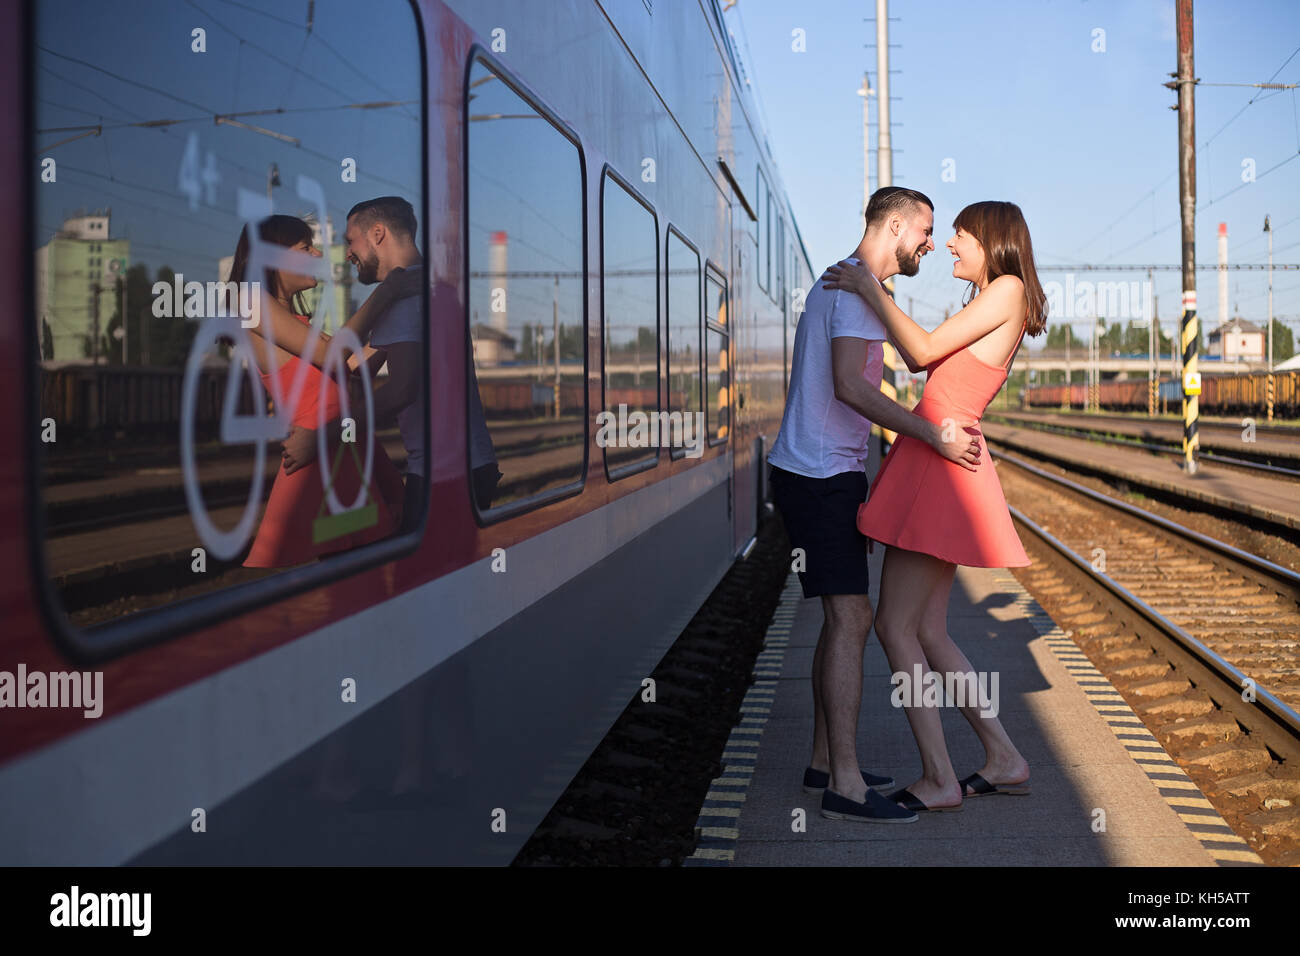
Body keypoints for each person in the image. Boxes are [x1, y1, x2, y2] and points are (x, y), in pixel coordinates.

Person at [767, 186, 983, 825]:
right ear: (894, 225)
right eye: (923, 231)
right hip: (820, 476)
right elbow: (849, 386)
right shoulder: (854, 289)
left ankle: (823, 762)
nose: (928, 244)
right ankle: (848, 785)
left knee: (843, 620)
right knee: (854, 619)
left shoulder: (850, 285)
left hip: (819, 472)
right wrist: (928, 433)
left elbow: (857, 383)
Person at [821, 199, 1045, 812]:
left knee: (895, 627)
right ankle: (1002, 756)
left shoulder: (1006, 290)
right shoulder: (989, 298)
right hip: (936, 459)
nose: (949, 245)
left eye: (961, 236)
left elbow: (919, 352)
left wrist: (870, 286)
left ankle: (941, 778)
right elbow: (921, 356)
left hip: (941, 462)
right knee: (927, 630)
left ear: (991, 241)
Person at [225, 214, 413, 568]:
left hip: (344, 457)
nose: (316, 253)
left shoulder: (298, 325)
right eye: (304, 247)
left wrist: (402, 317)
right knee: (342, 590)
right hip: (319, 469)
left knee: (361, 586)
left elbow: (353, 368)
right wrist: (387, 294)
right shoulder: (249, 303)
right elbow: (333, 355)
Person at [282, 197, 437, 533]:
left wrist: (320, 437)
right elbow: (355, 365)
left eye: (350, 241)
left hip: (439, 472)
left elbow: (400, 389)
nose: (347, 253)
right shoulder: (424, 287)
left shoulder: (405, 293)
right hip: (454, 466)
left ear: (378, 234)